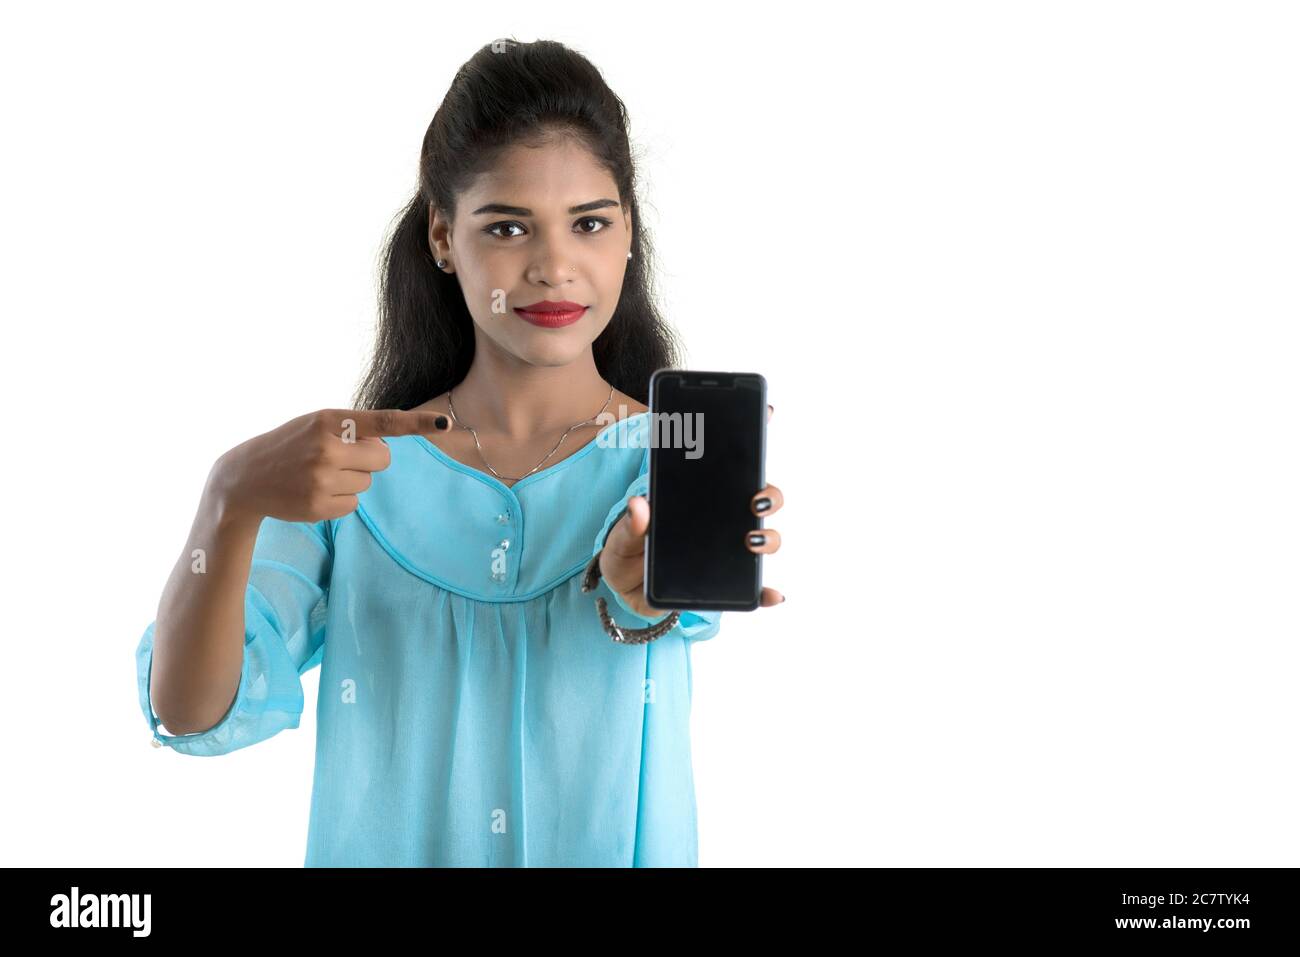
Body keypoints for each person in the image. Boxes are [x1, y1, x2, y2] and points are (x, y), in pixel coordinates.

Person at [134, 37, 786, 867]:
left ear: (628, 234)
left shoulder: (663, 463)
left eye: (590, 222)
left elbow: (645, 605)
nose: (555, 266)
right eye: (508, 226)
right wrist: (228, 499)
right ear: (443, 237)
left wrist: (638, 592)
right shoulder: (355, 475)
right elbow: (191, 711)